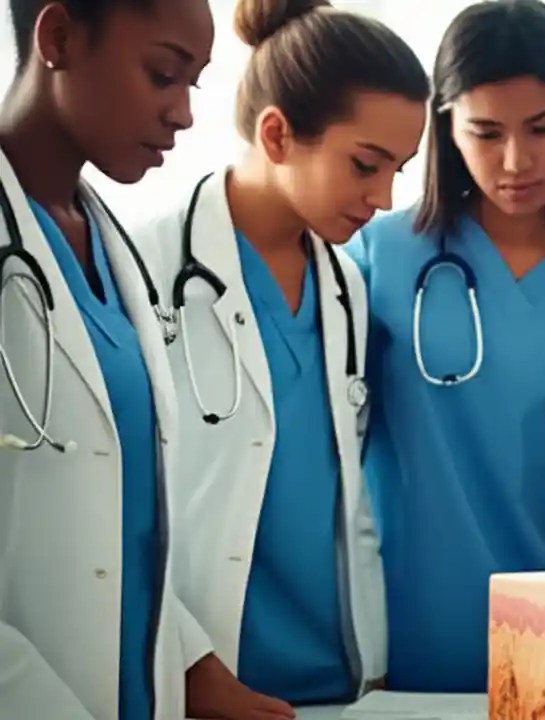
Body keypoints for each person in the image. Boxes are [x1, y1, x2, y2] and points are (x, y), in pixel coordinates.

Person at [345, 0, 545, 693]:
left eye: (543, 127)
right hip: (379, 644)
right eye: (486, 132)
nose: (516, 161)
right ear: (446, 126)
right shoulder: (375, 257)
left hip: (541, 651)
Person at [132, 0, 428, 713]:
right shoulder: (143, 270)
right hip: (210, 679)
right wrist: (191, 666)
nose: (385, 197)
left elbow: (342, 492)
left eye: (399, 169)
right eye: (365, 165)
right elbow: (112, 516)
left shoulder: (346, 287)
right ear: (277, 134)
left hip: (338, 681)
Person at [0, 0, 218, 718]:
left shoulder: (110, 246)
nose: (183, 114)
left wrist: (195, 665)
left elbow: (128, 529)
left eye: (193, 83)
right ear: (59, 37)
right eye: (162, 74)